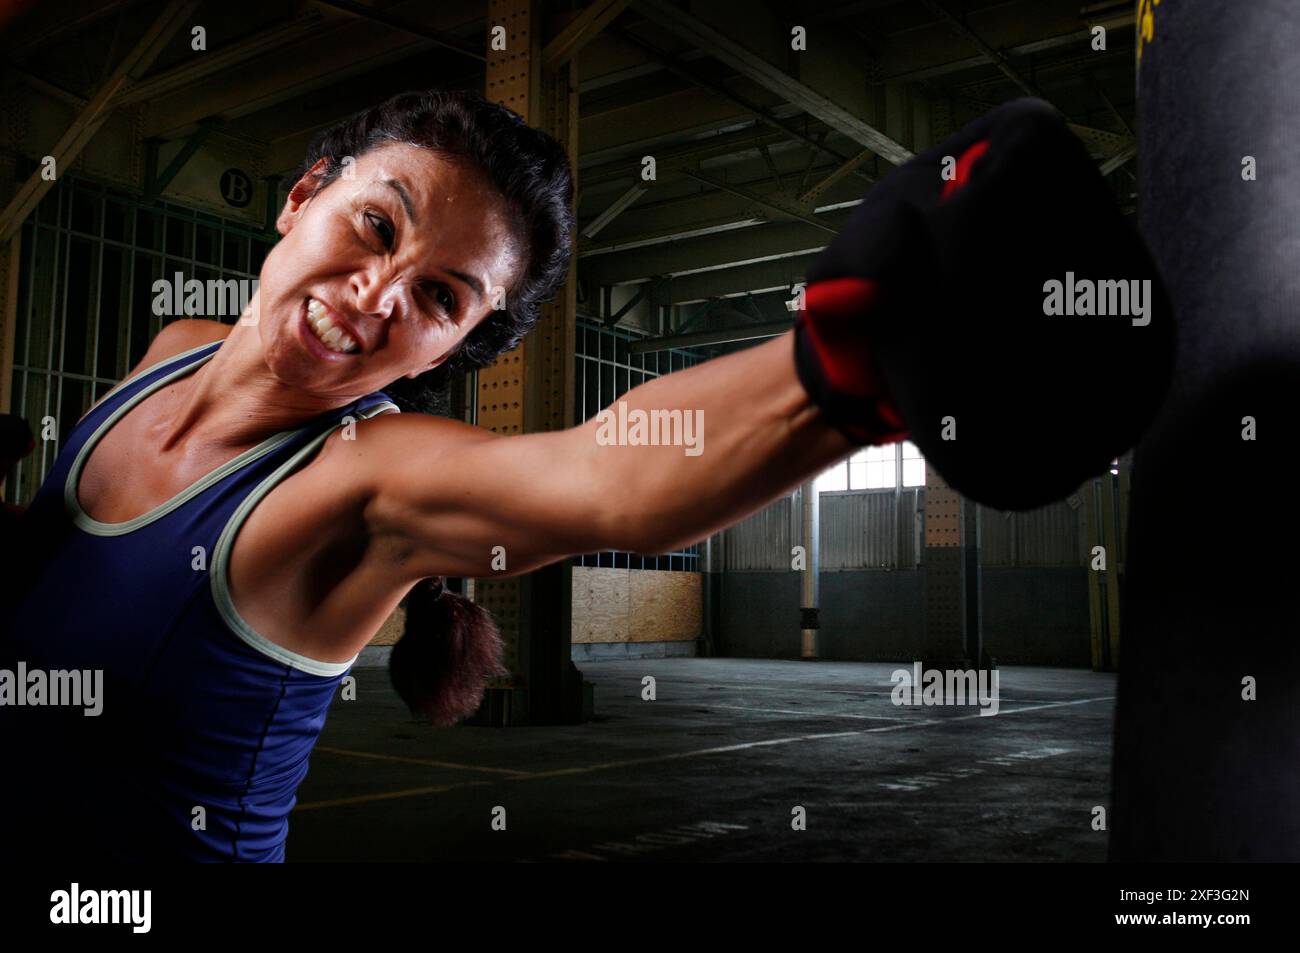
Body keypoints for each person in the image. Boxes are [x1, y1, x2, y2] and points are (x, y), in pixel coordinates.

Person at [0, 90, 1163, 861]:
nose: (378, 293)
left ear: (456, 348)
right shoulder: (171, 351)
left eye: (443, 298)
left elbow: (601, 475)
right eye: (373, 224)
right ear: (304, 197)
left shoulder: (365, 483)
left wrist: (840, 362)